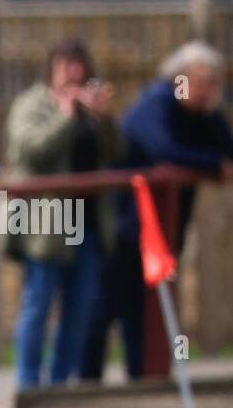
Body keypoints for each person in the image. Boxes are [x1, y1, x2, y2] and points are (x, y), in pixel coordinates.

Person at [81, 41, 233, 381]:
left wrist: (213, 115)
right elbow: (165, 151)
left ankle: (145, 380)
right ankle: (85, 383)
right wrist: (214, 164)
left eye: (215, 83)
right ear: (183, 77)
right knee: (106, 309)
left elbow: (227, 152)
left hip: (162, 233)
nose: (212, 89)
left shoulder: (200, 115)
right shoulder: (157, 102)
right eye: (206, 81)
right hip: (125, 230)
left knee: (148, 313)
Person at [6, 38, 120, 391]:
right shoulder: (32, 104)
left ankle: (59, 383)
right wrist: (66, 116)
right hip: (47, 220)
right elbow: (32, 151)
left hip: (86, 222)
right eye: (66, 63)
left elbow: (117, 152)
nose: (74, 71)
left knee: (80, 307)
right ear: (52, 67)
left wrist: (104, 120)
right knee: (38, 303)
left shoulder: (93, 110)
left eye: (79, 63)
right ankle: (28, 384)